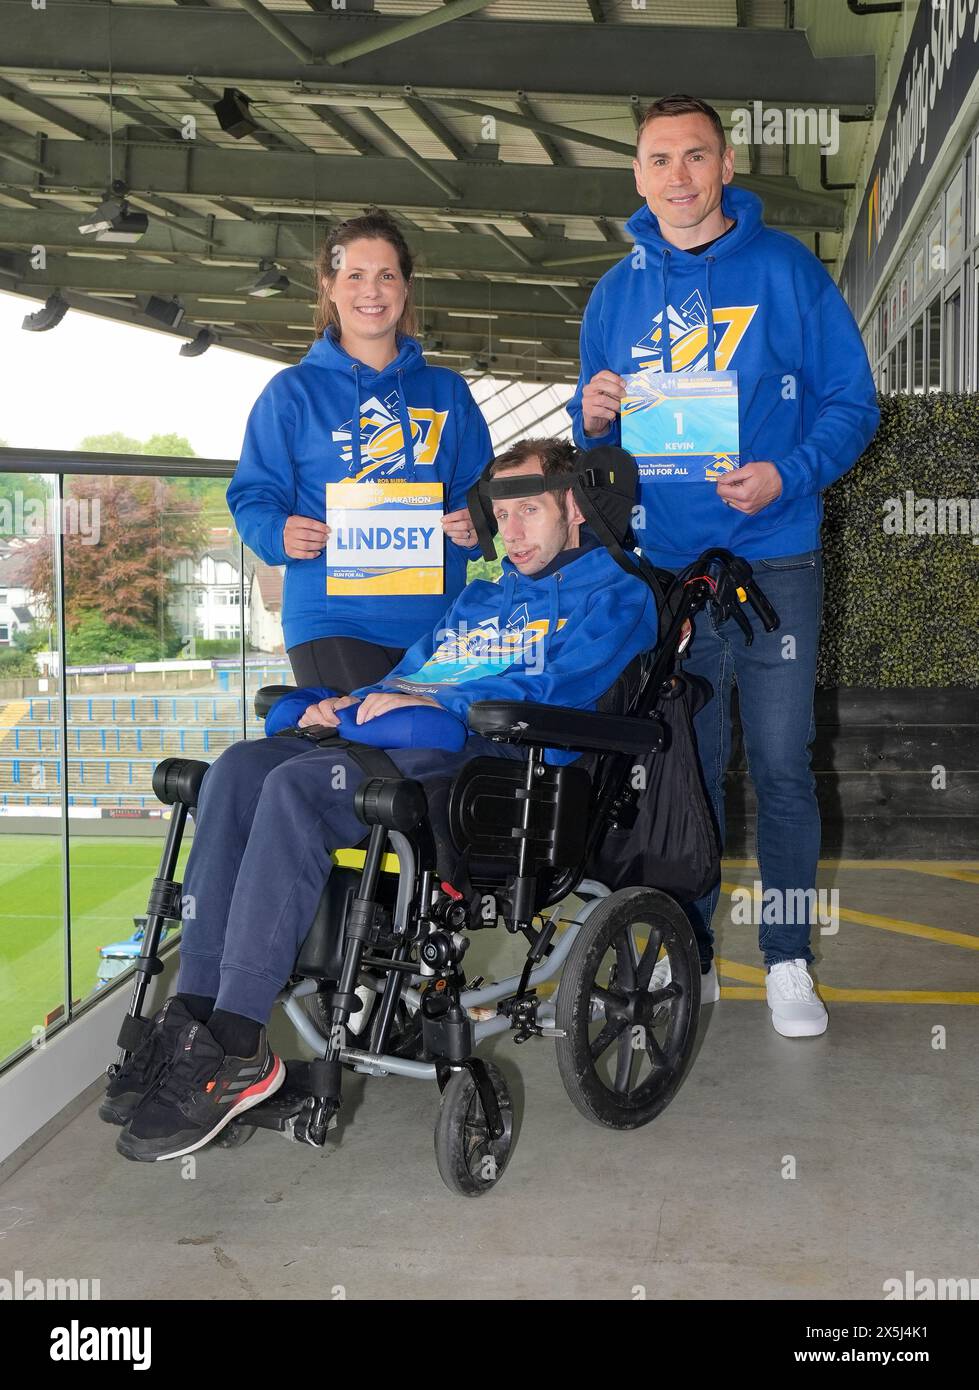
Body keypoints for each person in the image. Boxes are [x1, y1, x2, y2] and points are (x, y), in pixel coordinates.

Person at [106, 438, 659, 1162]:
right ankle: (195, 1018)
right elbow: (411, 671)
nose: (513, 531)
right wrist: (345, 705)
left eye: (530, 511)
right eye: (503, 514)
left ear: (575, 510)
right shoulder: (482, 595)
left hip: (482, 771)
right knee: (239, 769)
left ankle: (241, 1040)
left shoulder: (617, 592)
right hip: (399, 740)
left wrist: (437, 703)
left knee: (296, 787)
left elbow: (558, 694)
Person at [567, 94, 880, 1038]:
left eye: (694, 157)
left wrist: (787, 471)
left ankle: (786, 959)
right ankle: (690, 952)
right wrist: (592, 414)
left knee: (782, 767)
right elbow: (598, 441)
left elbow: (851, 404)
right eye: (659, 160)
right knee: (683, 774)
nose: (678, 177)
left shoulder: (785, 271)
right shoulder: (614, 292)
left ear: (727, 164)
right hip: (668, 578)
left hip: (775, 560)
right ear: (637, 175)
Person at [227, 208, 492, 693]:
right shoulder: (291, 393)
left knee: (432, 758)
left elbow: (483, 491)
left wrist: (475, 521)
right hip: (332, 618)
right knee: (364, 748)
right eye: (355, 275)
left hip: (437, 617)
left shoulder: (447, 391)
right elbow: (253, 497)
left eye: (386, 275)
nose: (372, 291)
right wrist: (277, 532)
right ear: (329, 286)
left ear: (405, 287)